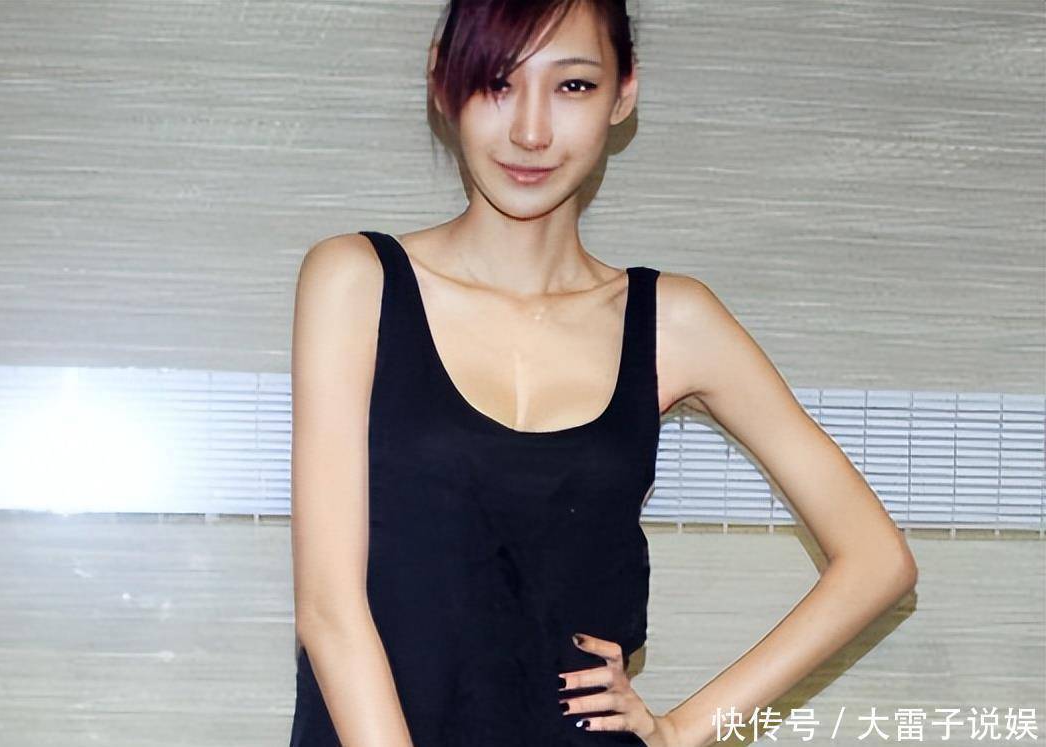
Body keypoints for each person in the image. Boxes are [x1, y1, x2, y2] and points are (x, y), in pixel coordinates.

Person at [287, 1, 918, 745]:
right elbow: (330, 612)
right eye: (497, 82)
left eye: (573, 86)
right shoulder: (357, 280)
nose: (531, 131)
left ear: (624, 94)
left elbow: (878, 561)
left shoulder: (673, 319)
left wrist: (681, 729)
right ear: (440, 82)